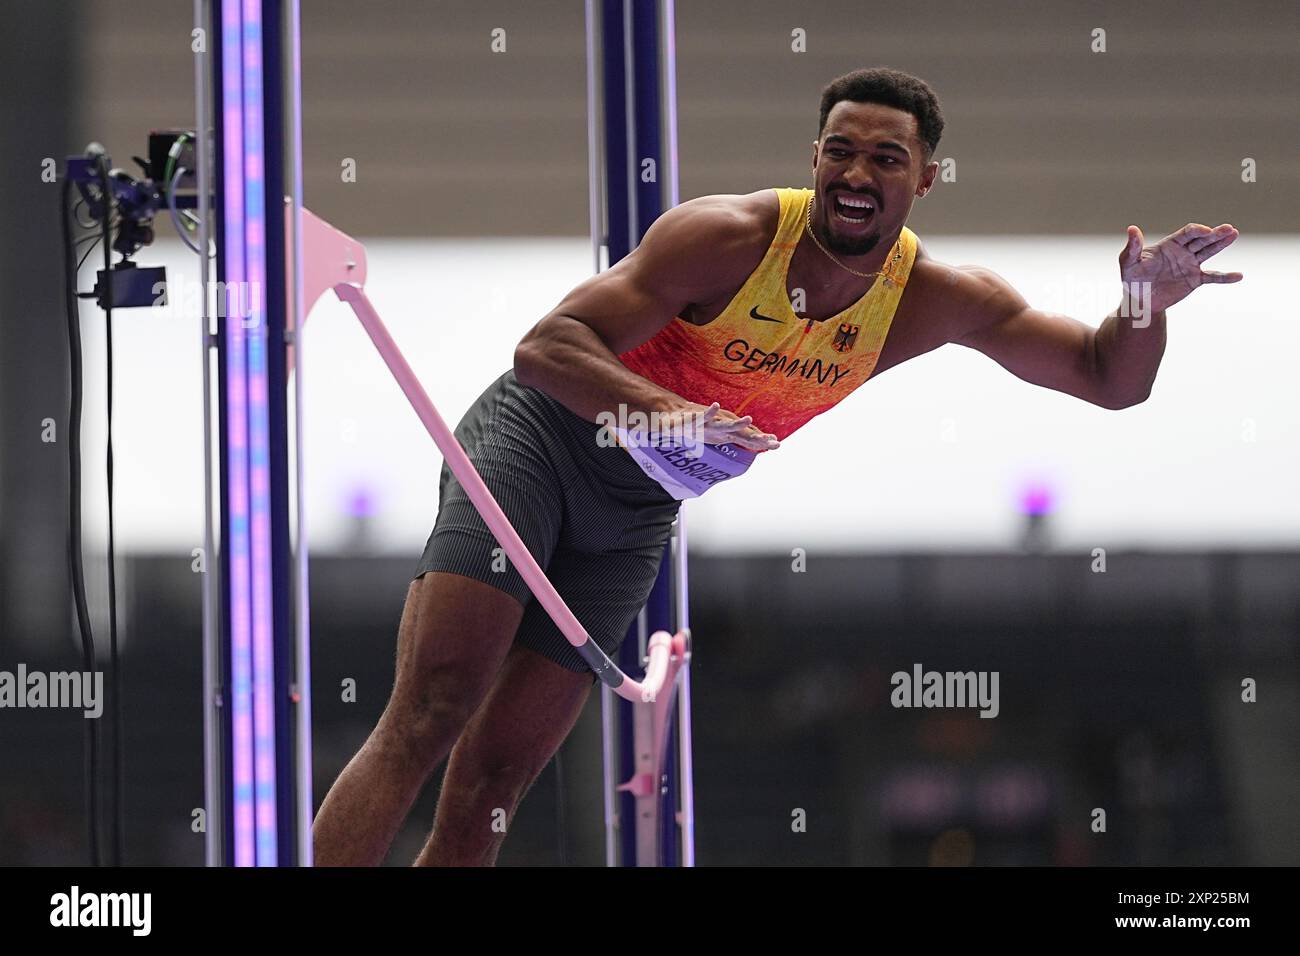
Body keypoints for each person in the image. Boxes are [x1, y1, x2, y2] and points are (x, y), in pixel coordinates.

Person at [312, 66, 1241, 866]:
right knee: (434, 709)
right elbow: (545, 348)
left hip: (634, 516)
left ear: (926, 178)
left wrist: (1143, 304)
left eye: (886, 158)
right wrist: (670, 415)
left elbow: (1105, 378)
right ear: (815, 159)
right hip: (540, 444)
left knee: (498, 777)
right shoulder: (727, 237)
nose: (858, 173)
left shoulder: (932, 299)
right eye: (841, 150)